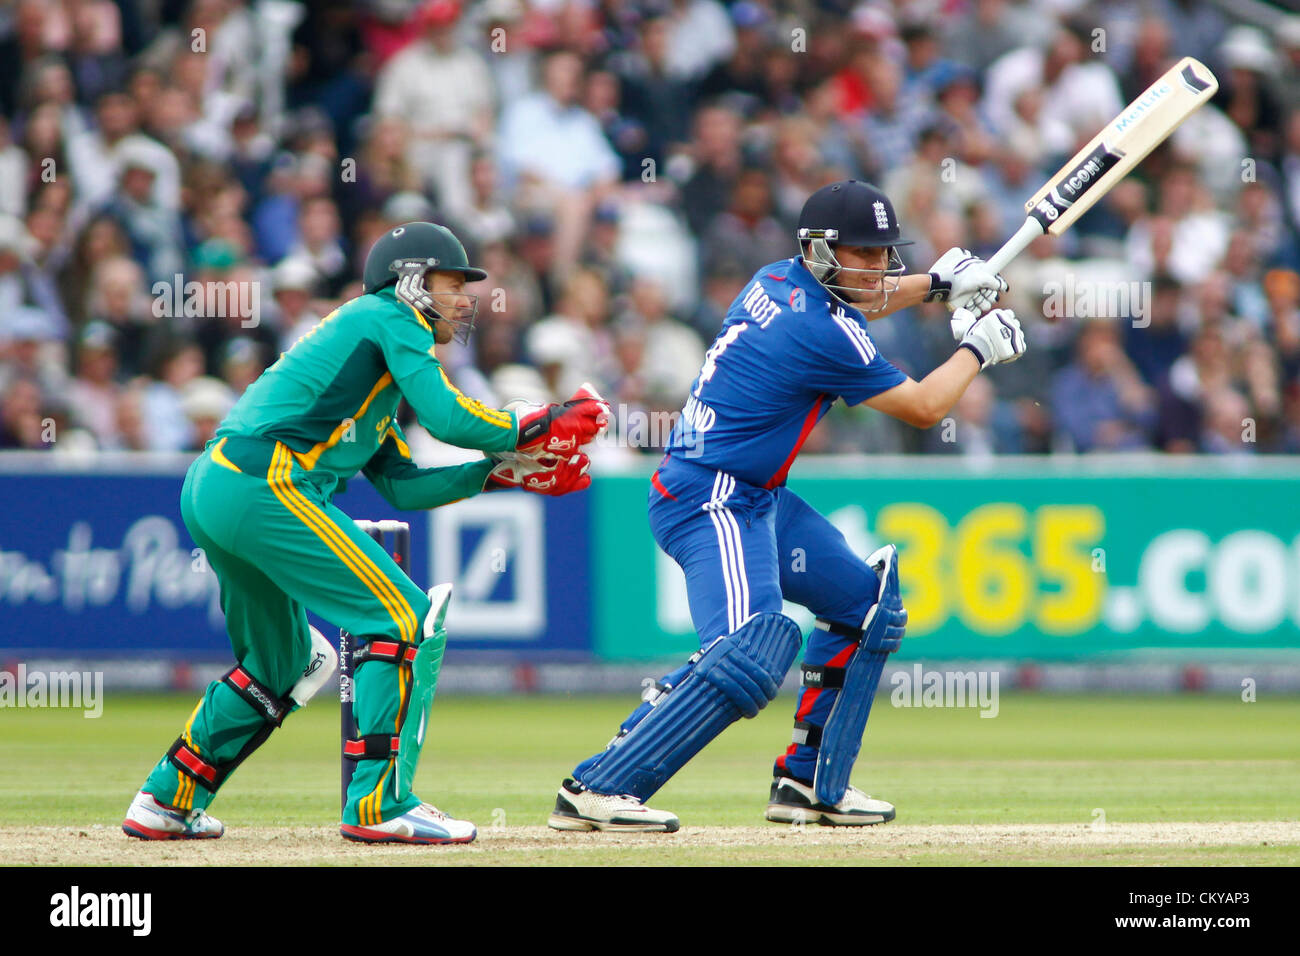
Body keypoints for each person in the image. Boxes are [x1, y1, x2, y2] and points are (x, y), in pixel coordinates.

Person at [547, 181, 1026, 831]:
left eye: (885, 253)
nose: (881, 267)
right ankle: (601, 785)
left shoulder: (777, 279)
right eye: (863, 253)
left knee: (865, 606)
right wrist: (978, 348)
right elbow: (923, 407)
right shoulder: (822, 331)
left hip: (751, 494)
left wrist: (937, 286)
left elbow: (865, 296)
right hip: (711, 496)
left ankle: (810, 784)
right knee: (751, 648)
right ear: (821, 251)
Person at [122, 221, 608, 845]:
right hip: (262, 481)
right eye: (449, 282)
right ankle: (378, 805)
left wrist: (495, 475)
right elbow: (448, 416)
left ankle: (167, 799)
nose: (463, 299)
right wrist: (535, 422)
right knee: (402, 615)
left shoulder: (371, 370)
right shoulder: (391, 316)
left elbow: (404, 486)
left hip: (219, 486)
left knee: (284, 664)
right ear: (409, 283)